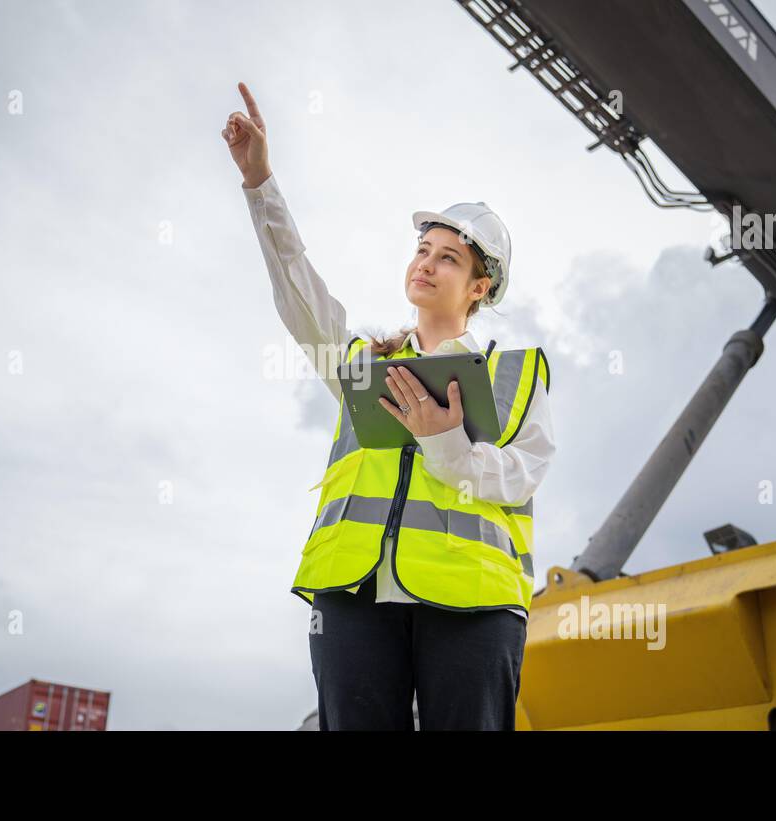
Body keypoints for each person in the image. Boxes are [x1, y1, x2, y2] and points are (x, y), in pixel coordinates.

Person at [223, 81, 555, 730]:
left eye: (448, 258)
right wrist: (261, 182)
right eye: (422, 250)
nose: (426, 265)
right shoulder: (362, 366)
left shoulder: (516, 374)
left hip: (474, 608)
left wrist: (449, 447)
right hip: (355, 596)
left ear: (479, 285)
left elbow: (523, 473)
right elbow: (297, 292)